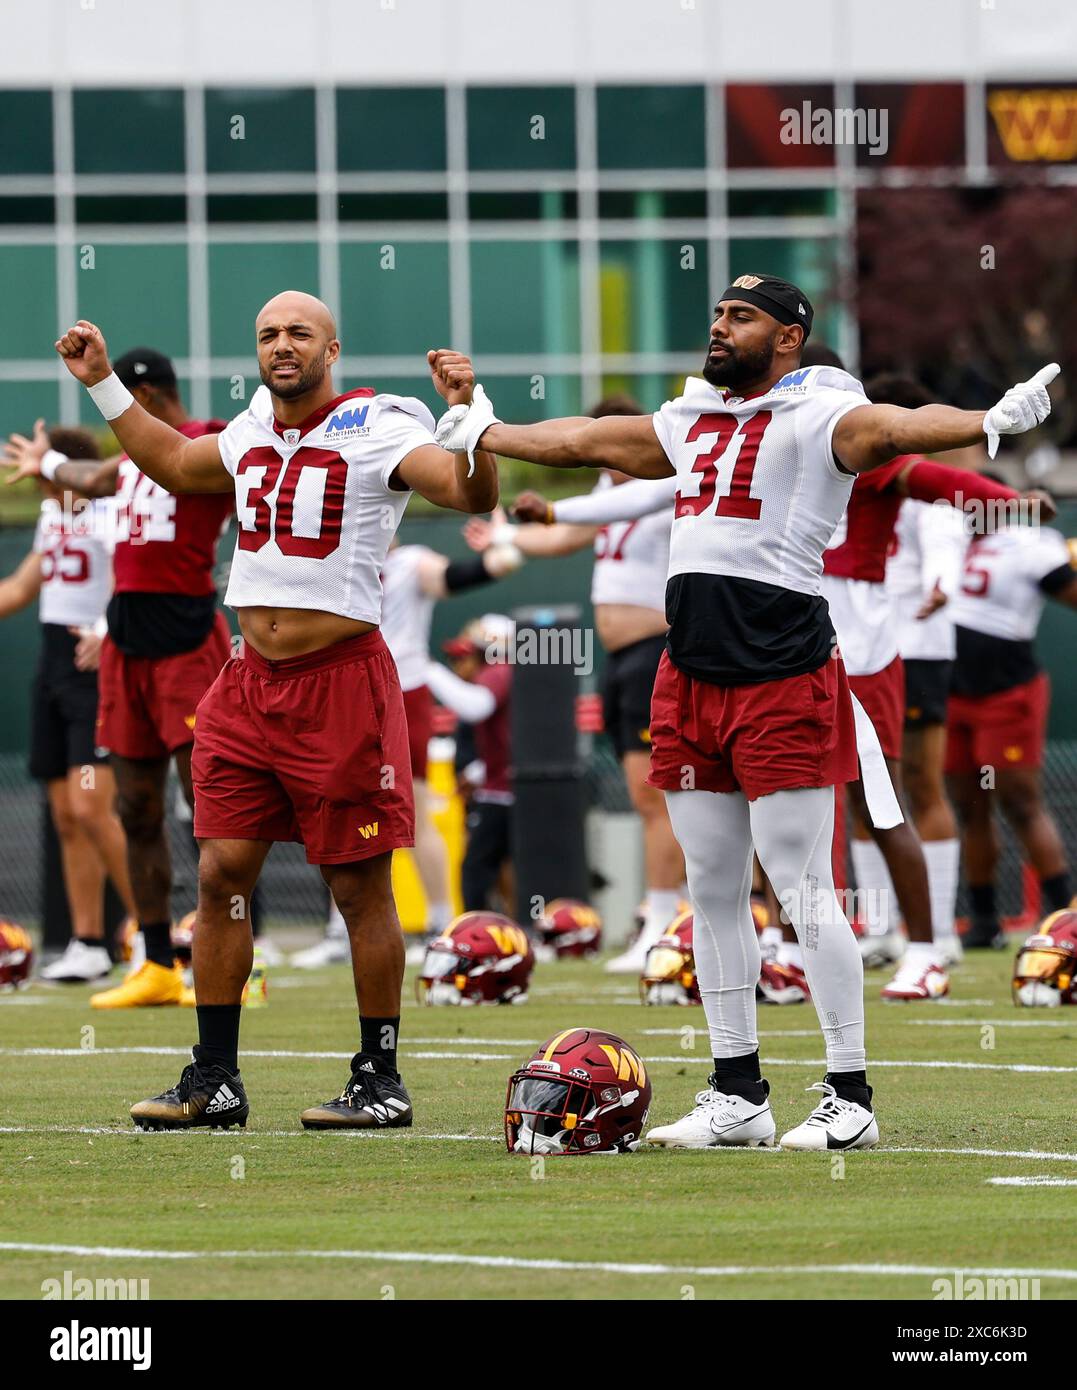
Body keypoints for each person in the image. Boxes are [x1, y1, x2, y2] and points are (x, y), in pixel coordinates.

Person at [431, 273, 1057, 1149]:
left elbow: (891, 428)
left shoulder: (820, 410)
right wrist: (485, 424)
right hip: (688, 672)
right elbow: (586, 437)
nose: (720, 327)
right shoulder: (693, 418)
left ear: (789, 336)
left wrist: (983, 420)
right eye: (719, 313)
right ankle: (737, 1092)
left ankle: (850, 1096)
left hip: (779, 669)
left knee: (801, 885)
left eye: (742, 316)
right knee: (712, 888)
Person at [48, 295, 497, 1131]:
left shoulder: (380, 422)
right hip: (246, 680)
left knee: (358, 884)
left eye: (298, 333)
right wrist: (105, 384)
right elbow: (177, 465)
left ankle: (380, 1075)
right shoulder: (251, 428)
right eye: (267, 335)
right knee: (221, 873)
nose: (281, 346)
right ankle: (215, 1077)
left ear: (333, 346)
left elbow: (466, 494)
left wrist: (467, 417)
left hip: (341, 680)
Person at [6, 348, 232, 1008]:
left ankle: (233, 959)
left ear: (150, 398)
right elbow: (90, 475)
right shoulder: (131, 459)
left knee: (211, 814)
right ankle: (157, 961)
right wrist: (45, 464)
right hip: (127, 649)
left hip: (187, 639)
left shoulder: (206, 443)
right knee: (135, 808)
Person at [819, 370, 1030, 1000]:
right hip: (846, 643)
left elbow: (944, 526)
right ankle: (882, 925)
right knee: (858, 789)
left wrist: (942, 581)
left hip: (909, 649)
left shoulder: (897, 468)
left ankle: (936, 933)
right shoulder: (834, 465)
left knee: (909, 787)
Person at [466, 394, 687, 972]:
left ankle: (665, 922)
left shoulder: (669, 484)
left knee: (654, 796)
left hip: (656, 649)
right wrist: (505, 540)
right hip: (621, 659)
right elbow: (559, 538)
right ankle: (664, 916)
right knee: (649, 797)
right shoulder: (606, 492)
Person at [292, 535, 522, 968]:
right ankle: (342, 929)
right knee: (338, 807)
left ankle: (440, 922)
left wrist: (499, 552)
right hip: (345, 688)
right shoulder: (338, 560)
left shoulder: (409, 561)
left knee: (409, 806)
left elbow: (458, 576)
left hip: (400, 685)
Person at [0, 425, 135, 980]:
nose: (36, 481)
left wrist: (107, 629)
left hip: (94, 665)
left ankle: (152, 931)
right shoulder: (53, 516)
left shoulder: (110, 515)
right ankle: (88, 941)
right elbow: (19, 589)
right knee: (66, 816)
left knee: (90, 808)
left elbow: (134, 581)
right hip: (55, 664)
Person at [945, 476, 1077, 947]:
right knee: (969, 805)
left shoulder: (1028, 543)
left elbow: (1068, 591)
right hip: (951, 690)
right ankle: (984, 921)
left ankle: (1064, 914)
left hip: (1008, 690)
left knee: (1020, 802)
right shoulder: (944, 537)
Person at [425, 615, 516, 915]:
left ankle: (478, 931)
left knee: (478, 868)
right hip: (504, 786)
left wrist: (428, 670)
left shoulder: (499, 670)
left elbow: (476, 707)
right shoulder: (507, 673)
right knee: (494, 865)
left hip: (505, 791)